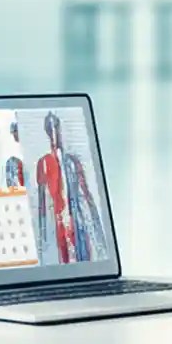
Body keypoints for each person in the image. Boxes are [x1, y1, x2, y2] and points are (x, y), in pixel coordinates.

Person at [34, 111, 109, 263]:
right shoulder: (43, 163)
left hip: (76, 220)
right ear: (47, 132)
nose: (55, 135)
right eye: (51, 130)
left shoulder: (72, 161)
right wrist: (42, 237)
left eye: (56, 128)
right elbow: (42, 204)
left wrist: (95, 227)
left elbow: (87, 195)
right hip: (58, 221)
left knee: (83, 255)